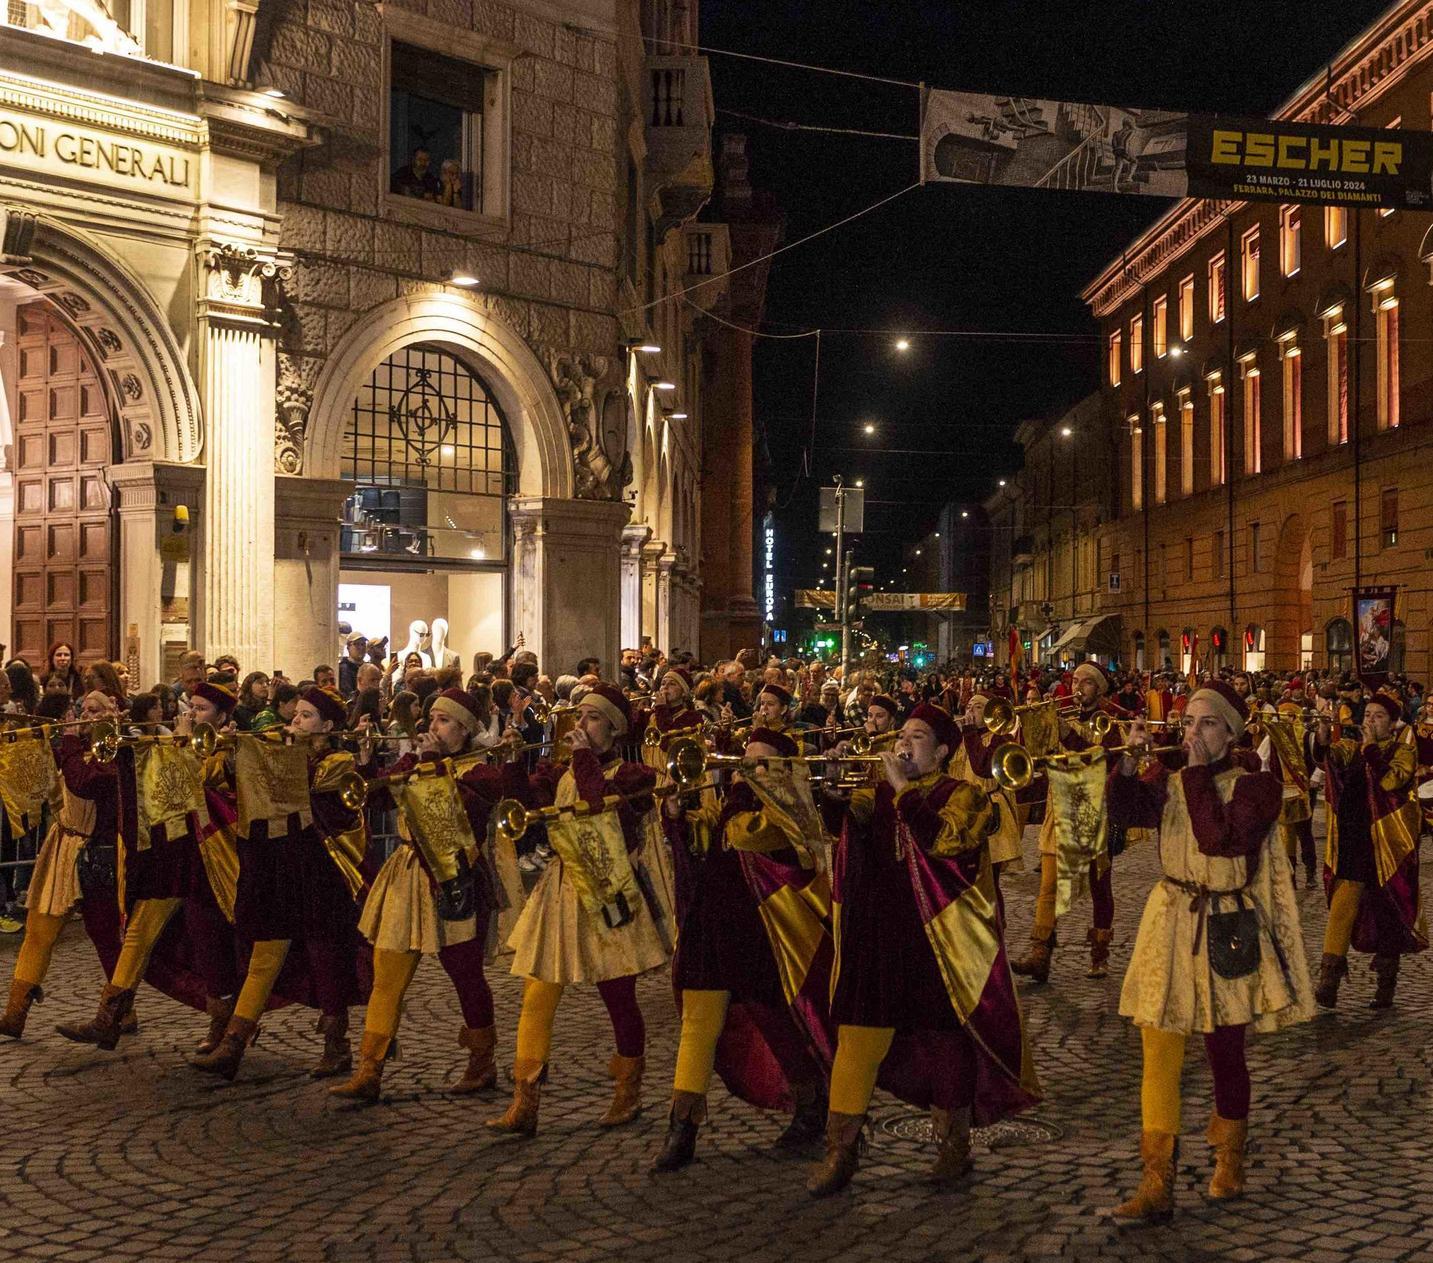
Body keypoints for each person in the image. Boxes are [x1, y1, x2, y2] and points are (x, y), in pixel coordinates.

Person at [809, 702, 1039, 1197]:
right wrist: (831, 788)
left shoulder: (966, 797)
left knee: (944, 1040)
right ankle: (841, 1148)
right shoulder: (878, 791)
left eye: (918, 737)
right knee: (857, 1036)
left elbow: (947, 842)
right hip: (875, 933)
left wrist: (904, 791)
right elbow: (847, 827)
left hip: (934, 939)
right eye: (903, 735)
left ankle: (952, 1145)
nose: (904, 743)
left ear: (941, 752)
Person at [1106, 682, 1313, 1221]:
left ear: (1230, 733)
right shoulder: (1174, 777)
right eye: (1187, 721)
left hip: (1225, 927)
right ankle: (1156, 1182)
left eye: (1205, 723)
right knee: (1159, 1050)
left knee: (1225, 1051)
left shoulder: (1257, 787)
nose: (1190, 732)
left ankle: (1231, 1155)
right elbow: (1126, 813)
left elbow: (1218, 839)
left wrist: (1194, 772)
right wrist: (1127, 769)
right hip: (1170, 920)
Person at [486, 683, 674, 1138]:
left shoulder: (632, 775)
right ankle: (524, 1100)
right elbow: (523, 805)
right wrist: (513, 760)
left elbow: (600, 812)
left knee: (618, 996)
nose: (580, 725)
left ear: (613, 726)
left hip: (611, 892)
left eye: (591, 717)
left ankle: (628, 1089)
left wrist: (584, 758)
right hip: (563, 888)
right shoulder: (558, 771)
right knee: (537, 994)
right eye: (579, 716)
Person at [330, 690, 530, 1103]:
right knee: (387, 973)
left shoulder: (480, 773)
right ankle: (370, 1067)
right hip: (406, 874)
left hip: (454, 877)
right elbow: (379, 797)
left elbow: (451, 816)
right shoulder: (414, 761)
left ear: (464, 729)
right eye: (432, 717)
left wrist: (427, 765)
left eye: (442, 720)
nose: (431, 727)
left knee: (464, 973)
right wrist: (367, 758)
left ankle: (482, 1061)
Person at [651, 727, 833, 1172]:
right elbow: (698, 850)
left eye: (759, 761)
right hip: (710, 925)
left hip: (762, 930)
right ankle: (682, 1124)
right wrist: (677, 816)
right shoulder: (726, 804)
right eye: (744, 759)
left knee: (776, 1020)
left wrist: (751, 796)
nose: (745, 768)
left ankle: (812, 1104)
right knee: (698, 1024)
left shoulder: (789, 808)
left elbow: (769, 840)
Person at [190, 686, 371, 1081]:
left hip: (320, 870)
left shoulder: (338, 761)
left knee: (326, 960)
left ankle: (336, 1045)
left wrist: (270, 754)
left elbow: (302, 792)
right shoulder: (281, 749)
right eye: (296, 714)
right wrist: (233, 752)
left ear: (327, 725)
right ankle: (234, 1042)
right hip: (277, 865)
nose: (295, 722)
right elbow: (215, 779)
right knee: (263, 953)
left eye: (306, 716)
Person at [0, 692, 130, 1039]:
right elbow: (48, 774)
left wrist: (70, 738)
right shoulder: (77, 746)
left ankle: (121, 1011)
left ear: (113, 712)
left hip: (96, 853)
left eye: (95, 710)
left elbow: (84, 782)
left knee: (104, 935)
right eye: (83, 708)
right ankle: (15, 1013)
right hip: (62, 845)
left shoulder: (116, 746)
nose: (86, 715)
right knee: (38, 928)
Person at [1310, 690, 1426, 1010]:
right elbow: (1330, 758)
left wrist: (1372, 750)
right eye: (1368, 715)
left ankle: (1385, 985)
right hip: (1353, 838)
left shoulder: (1402, 751)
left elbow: (1392, 783)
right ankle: (1328, 982)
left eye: (1378, 716)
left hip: (1387, 846)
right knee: (1342, 906)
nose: (1370, 720)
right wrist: (1321, 739)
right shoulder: (1353, 748)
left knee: (1387, 910)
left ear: (1391, 723)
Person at [1010, 662, 1124, 983]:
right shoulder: (1062, 718)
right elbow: (1035, 755)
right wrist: (1031, 726)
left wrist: (1066, 733)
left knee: (1100, 888)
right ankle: (1039, 953)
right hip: (1057, 808)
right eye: (1075, 680)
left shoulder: (1108, 723)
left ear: (1099, 690)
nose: (1079, 687)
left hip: (1092, 811)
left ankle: (1099, 955)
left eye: (1087, 682)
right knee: (1048, 888)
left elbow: (1101, 756)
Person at [339, 634, 368, 699]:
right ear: (348, 647)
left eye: (363, 644)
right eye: (356, 644)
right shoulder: (343, 668)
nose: (361, 647)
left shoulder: (368, 668)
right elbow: (347, 693)